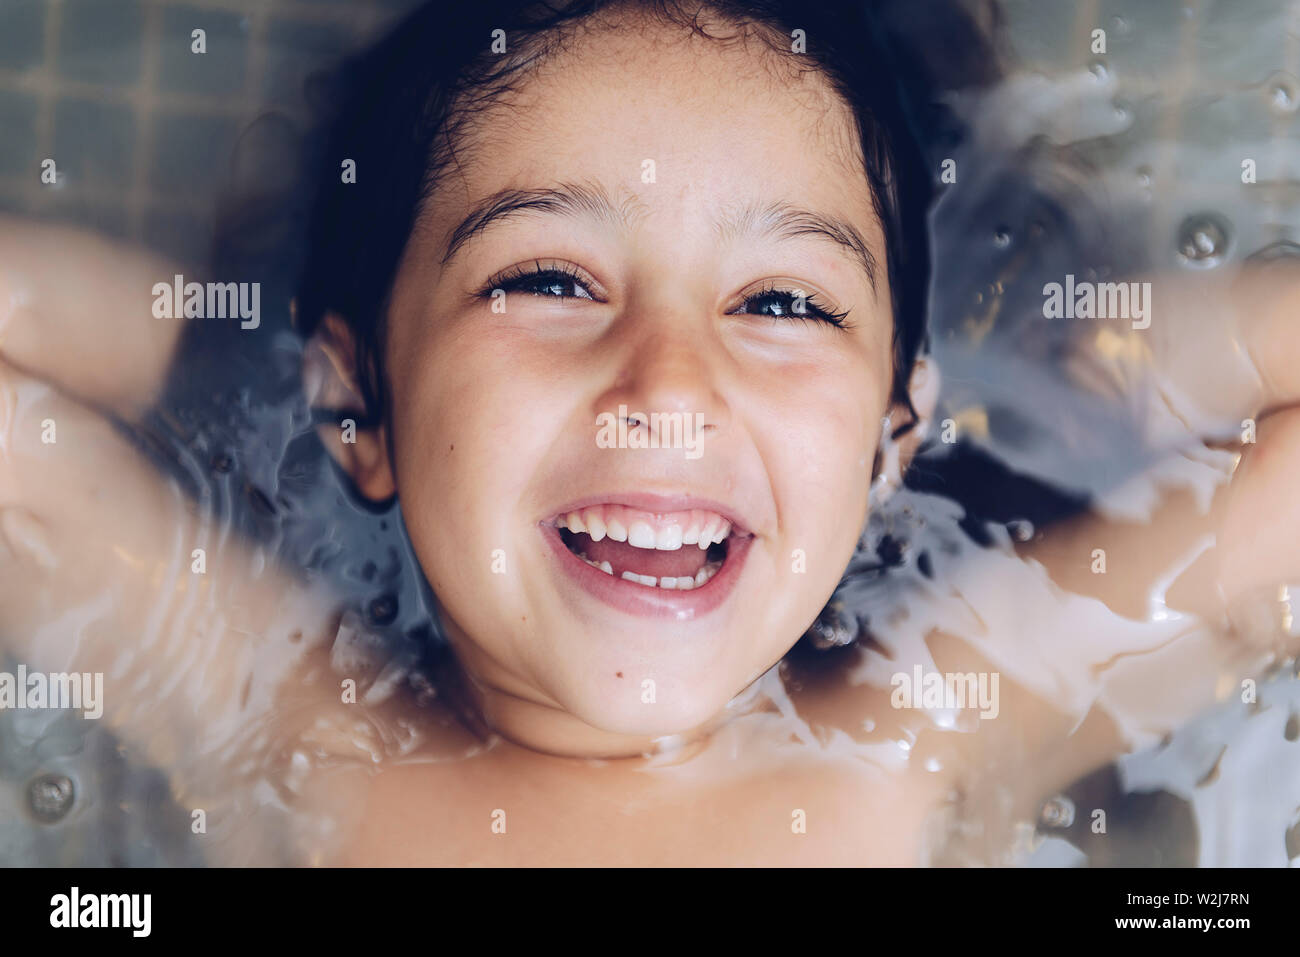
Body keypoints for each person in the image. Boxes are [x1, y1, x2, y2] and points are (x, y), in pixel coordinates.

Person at [1, 0, 1297, 865]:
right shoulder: (283, 718)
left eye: (784, 301)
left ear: (893, 435)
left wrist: (1073, 377)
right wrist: (235, 365)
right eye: (548, 281)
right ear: (358, 409)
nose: (670, 386)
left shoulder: (933, 719)